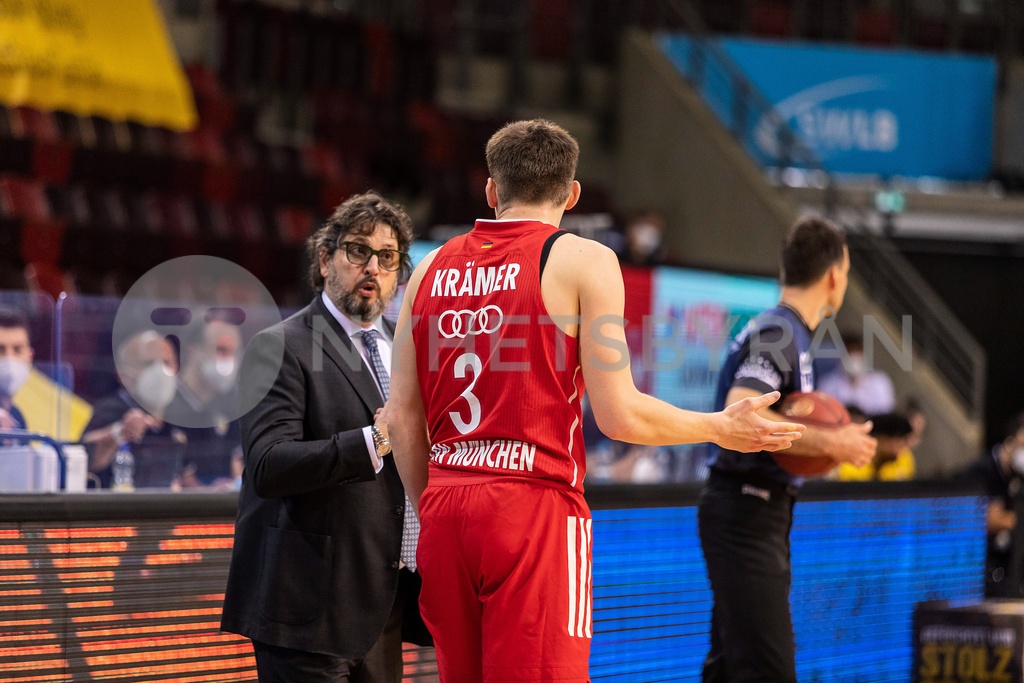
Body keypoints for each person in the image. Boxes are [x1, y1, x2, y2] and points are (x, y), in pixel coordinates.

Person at [388, 119, 805, 682]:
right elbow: (619, 414)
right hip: (531, 508)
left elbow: (402, 419)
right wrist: (717, 426)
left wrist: (434, 505)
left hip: (445, 506)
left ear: (491, 190)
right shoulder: (584, 260)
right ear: (572, 194)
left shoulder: (428, 269)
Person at [220, 191, 430, 683]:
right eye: (358, 251)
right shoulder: (279, 346)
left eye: (387, 257)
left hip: (383, 605)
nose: (372, 268)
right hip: (306, 611)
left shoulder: (410, 349)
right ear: (324, 259)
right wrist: (375, 441)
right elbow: (269, 465)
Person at [697, 216, 877, 683]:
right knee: (767, 672)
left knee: (730, 668)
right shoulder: (779, 332)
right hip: (745, 511)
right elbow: (744, 410)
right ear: (835, 275)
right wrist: (832, 441)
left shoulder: (785, 330)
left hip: (752, 511)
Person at [81, 330, 188, 488]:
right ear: (123, 374)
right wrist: (118, 432)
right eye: (149, 364)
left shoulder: (182, 412)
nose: (160, 372)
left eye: (166, 363)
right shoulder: (111, 409)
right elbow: (83, 454)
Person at [165, 319, 243, 488]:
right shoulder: (164, 405)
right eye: (221, 350)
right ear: (193, 350)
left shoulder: (232, 408)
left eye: (234, 352)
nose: (229, 361)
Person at [968, 411, 1024, 598]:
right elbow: (987, 521)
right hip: (978, 572)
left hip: (1008, 571)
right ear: (1011, 440)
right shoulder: (981, 472)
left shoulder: (1018, 479)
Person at [818, 332, 896, 415]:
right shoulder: (827, 384)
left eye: (857, 352)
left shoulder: (880, 382)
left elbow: (886, 415)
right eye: (850, 352)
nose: (854, 357)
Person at [0, 306, 34, 431]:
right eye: (0, 350)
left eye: (18, 350)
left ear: (30, 357)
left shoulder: (17, 417)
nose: (10, 358)